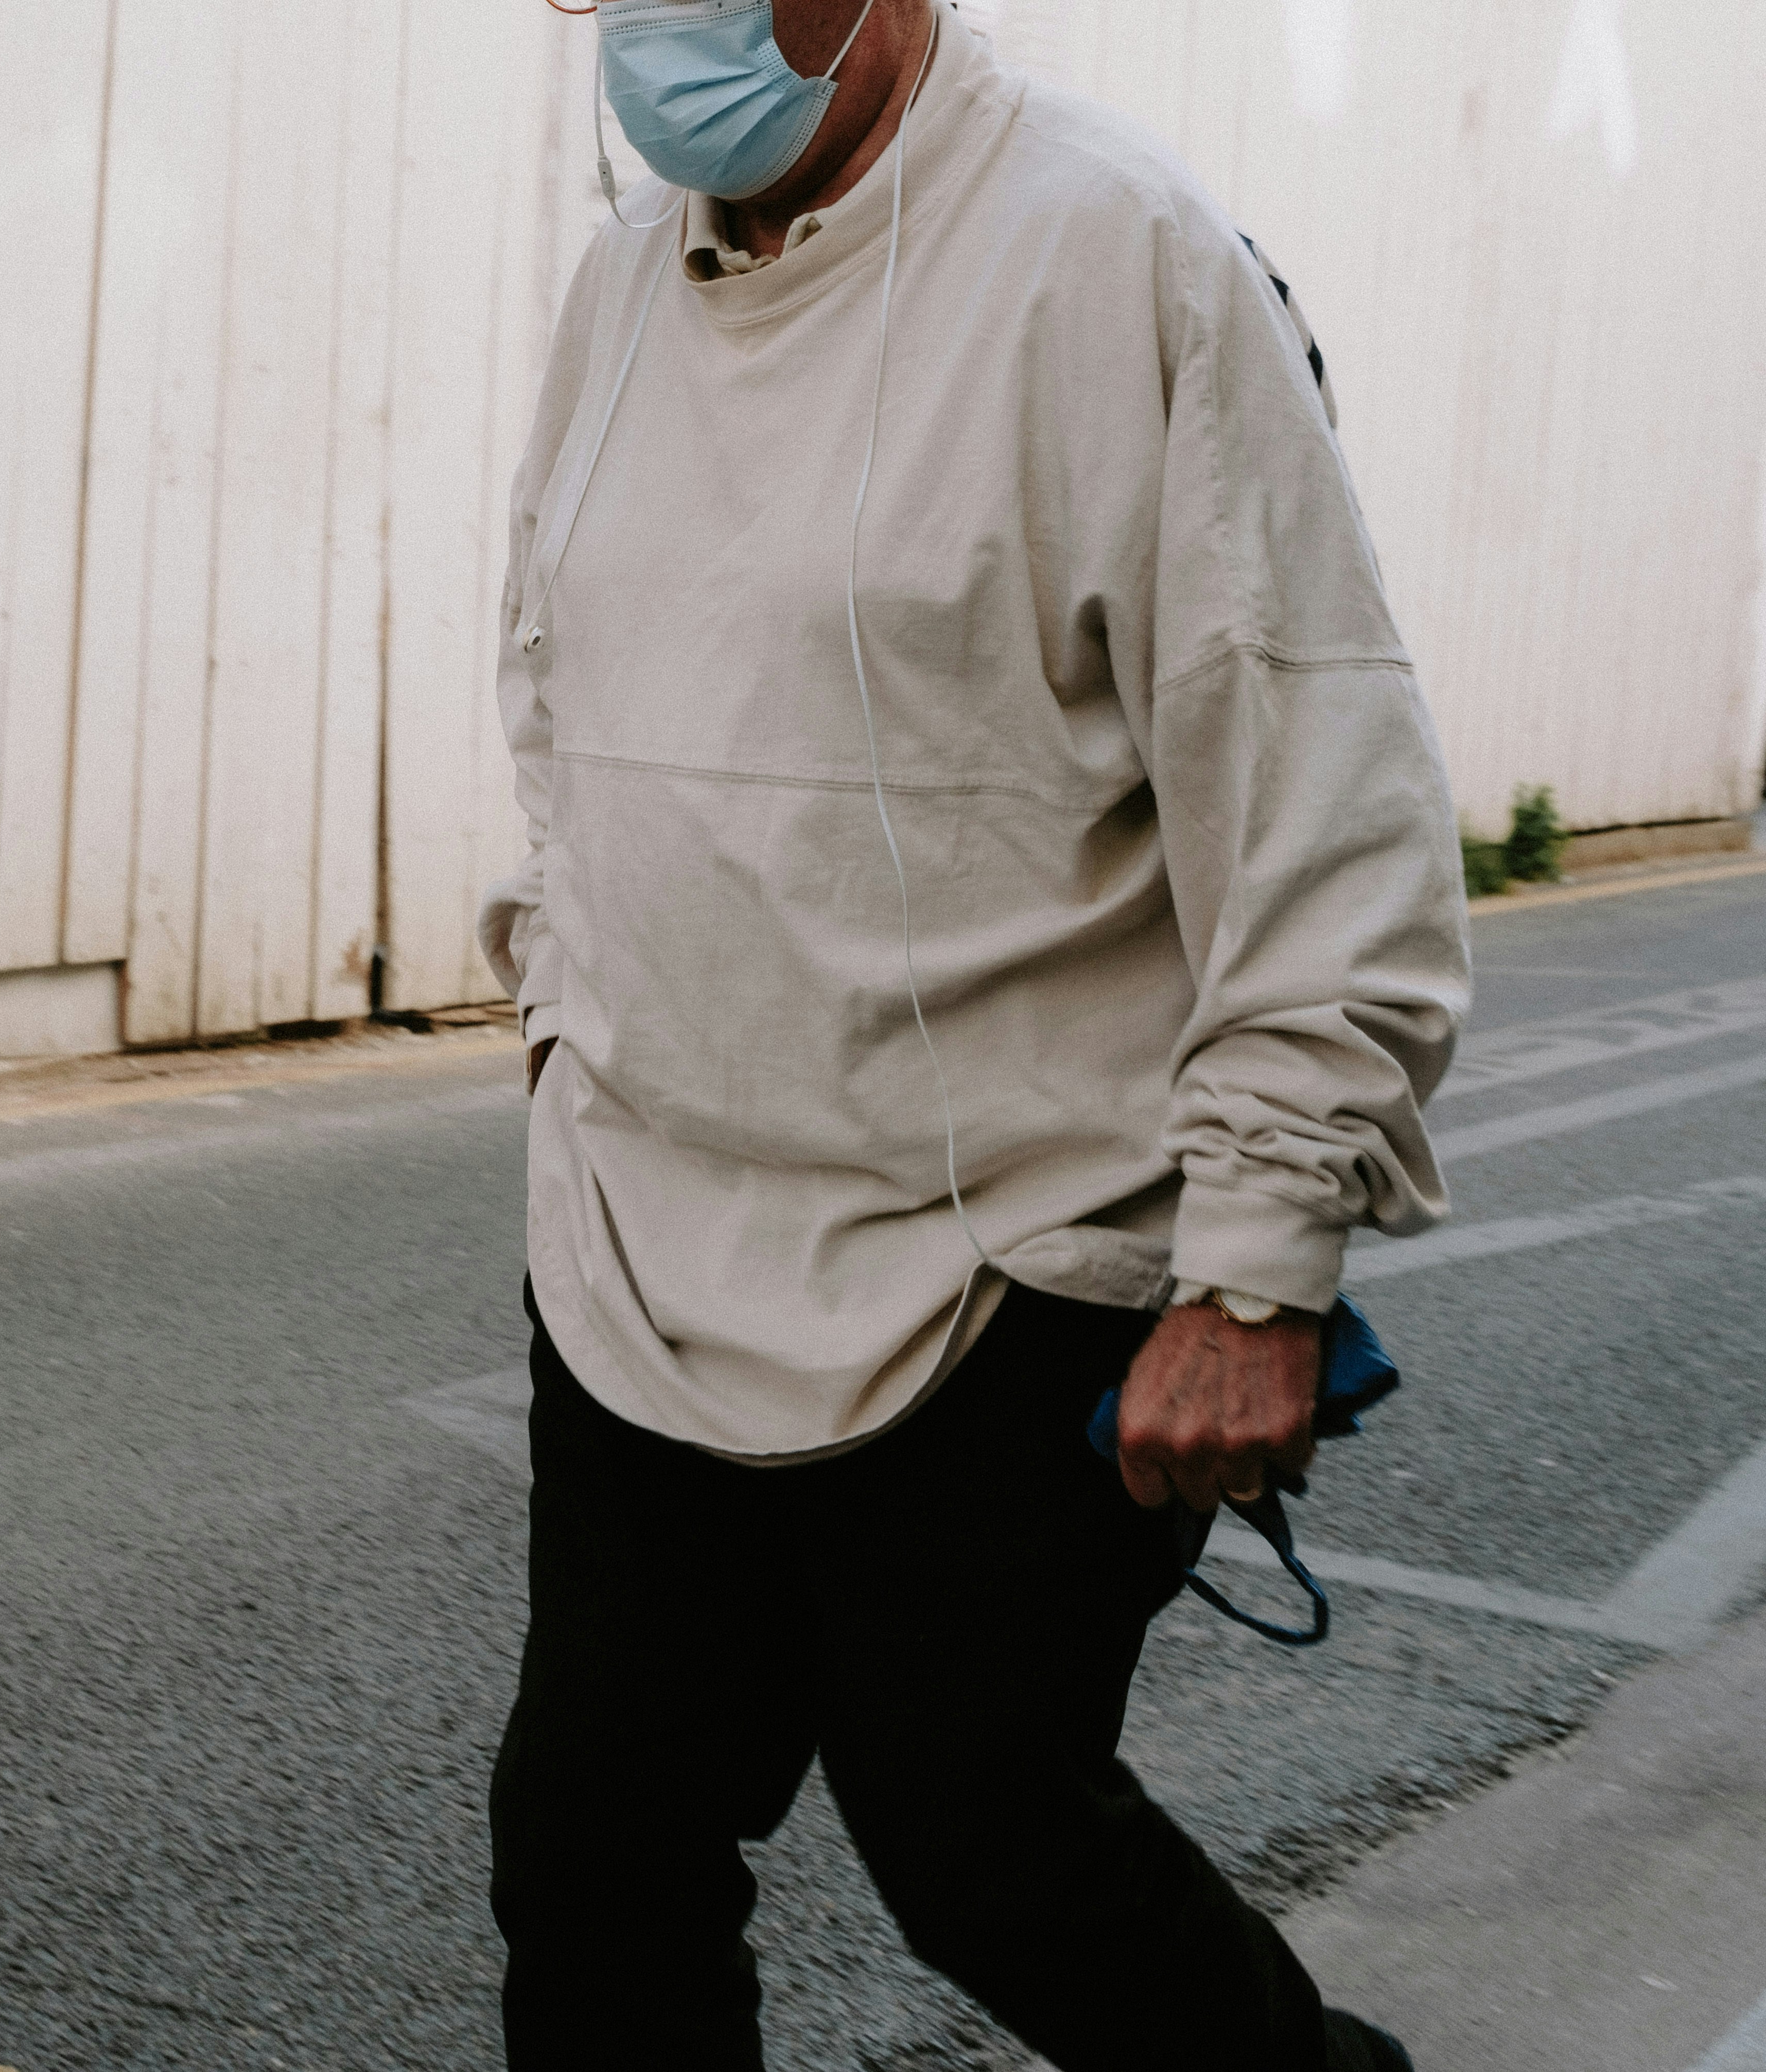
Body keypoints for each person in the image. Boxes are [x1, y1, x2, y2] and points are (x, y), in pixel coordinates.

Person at [477, 3, 1469, 2067]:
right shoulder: (623, 283)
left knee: (989, 1844)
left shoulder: (1118, 257)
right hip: (645, 1242)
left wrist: (1257, 1266)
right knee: (593, 1844)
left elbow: (1312, 782)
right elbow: (565, 694)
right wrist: (570, 1022)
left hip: (1005, 1257)